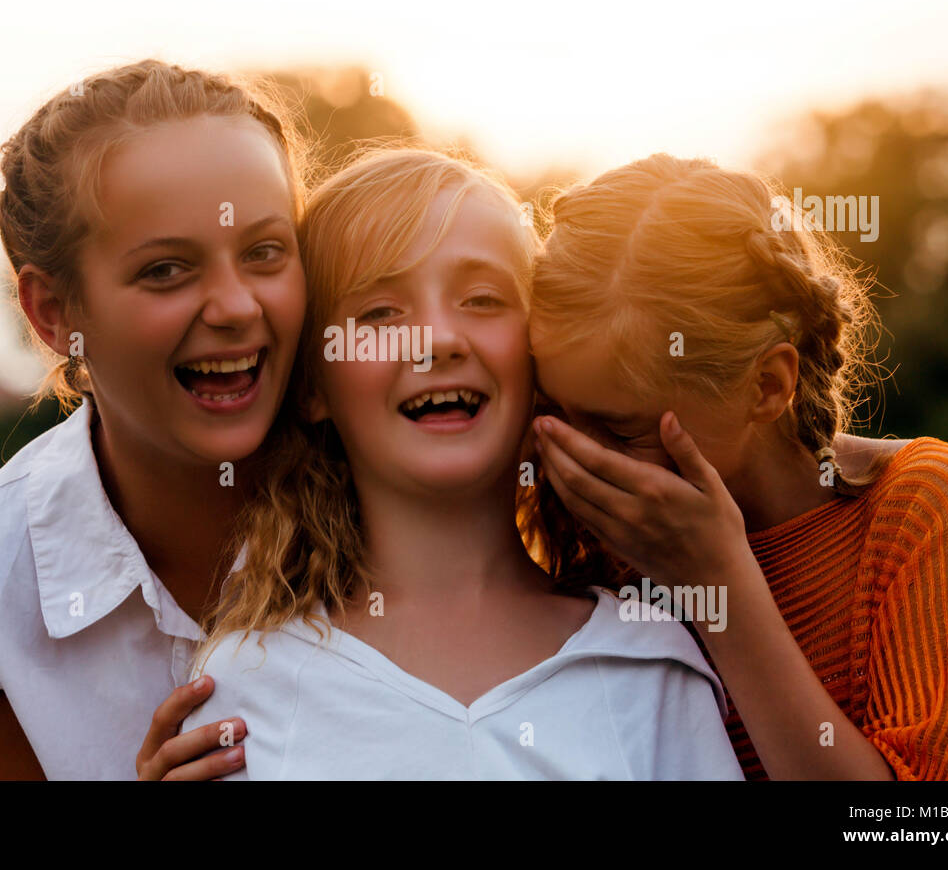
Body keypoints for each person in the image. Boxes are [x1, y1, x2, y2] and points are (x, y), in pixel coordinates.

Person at [180, 148, 744, 779]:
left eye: (480, 299)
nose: (438, 340)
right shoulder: (245, 684)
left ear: (538, 357)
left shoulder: (648, 663)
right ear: (312, 385)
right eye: (381, 314)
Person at [0, 59, 306, 779]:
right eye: (166, 270)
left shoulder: (398, 496)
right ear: (54, 312)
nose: (234, 307)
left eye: (264, 252)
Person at [528, 153, 948, 780]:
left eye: (620, 429)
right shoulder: (603, 550)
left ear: (766, 384)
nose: (578, 457)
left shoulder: (924, 502)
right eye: (554, 412)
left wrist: (720, 586)